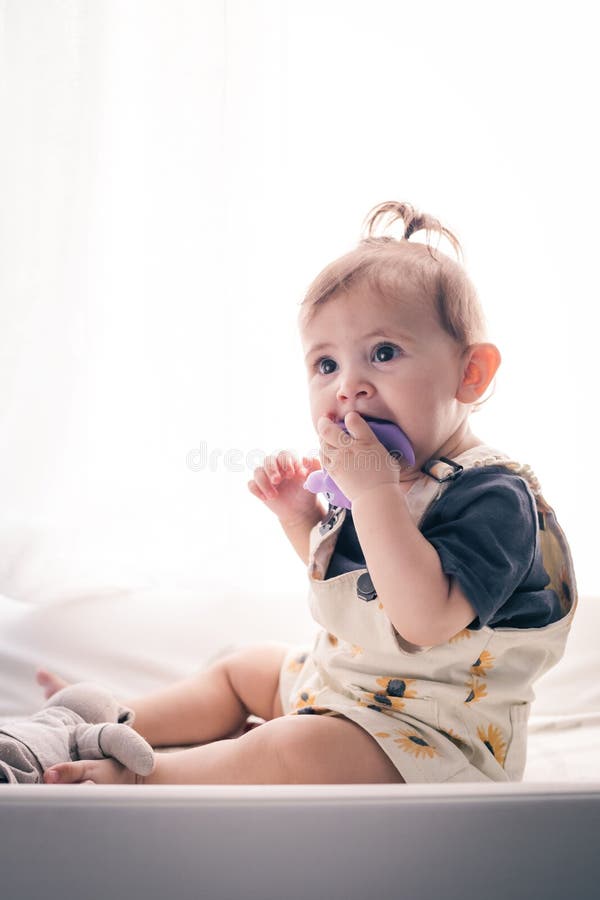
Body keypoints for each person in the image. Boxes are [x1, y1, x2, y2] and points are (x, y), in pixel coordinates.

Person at [38, 201, 577, 785]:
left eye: (384, 353)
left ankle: (147, 775)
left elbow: (422, 620)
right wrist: (304, 519)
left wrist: (372, 497)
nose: (349, 387)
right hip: (351, 688)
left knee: (290, 744)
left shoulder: (495, 499)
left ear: (470, 374)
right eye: (325, 364)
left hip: (431, 738)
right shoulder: (383, 482)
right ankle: (102, 723)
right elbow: (364, 589)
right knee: (243, 668)